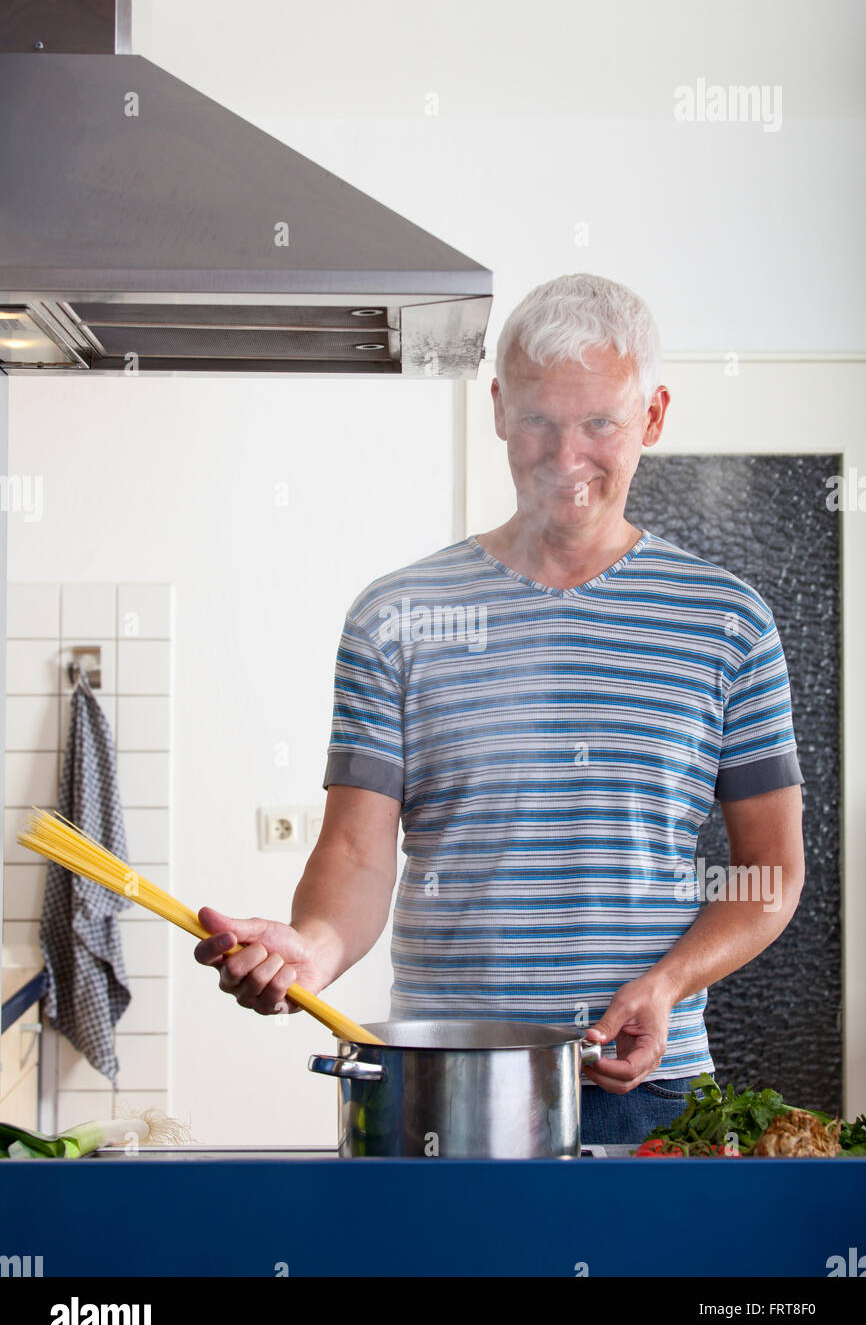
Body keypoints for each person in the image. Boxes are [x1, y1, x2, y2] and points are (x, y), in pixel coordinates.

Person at [194, 273, 805, 1145]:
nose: (565, 459)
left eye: (600, 422)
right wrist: (316, 949)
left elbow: (770, 874)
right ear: (496, 410)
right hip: (439, 1088)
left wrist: (667, 983)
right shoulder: (396, 616)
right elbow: (358, 855)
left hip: (651, 1089)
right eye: (538, 422)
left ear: (655, 416)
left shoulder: (727, 622)